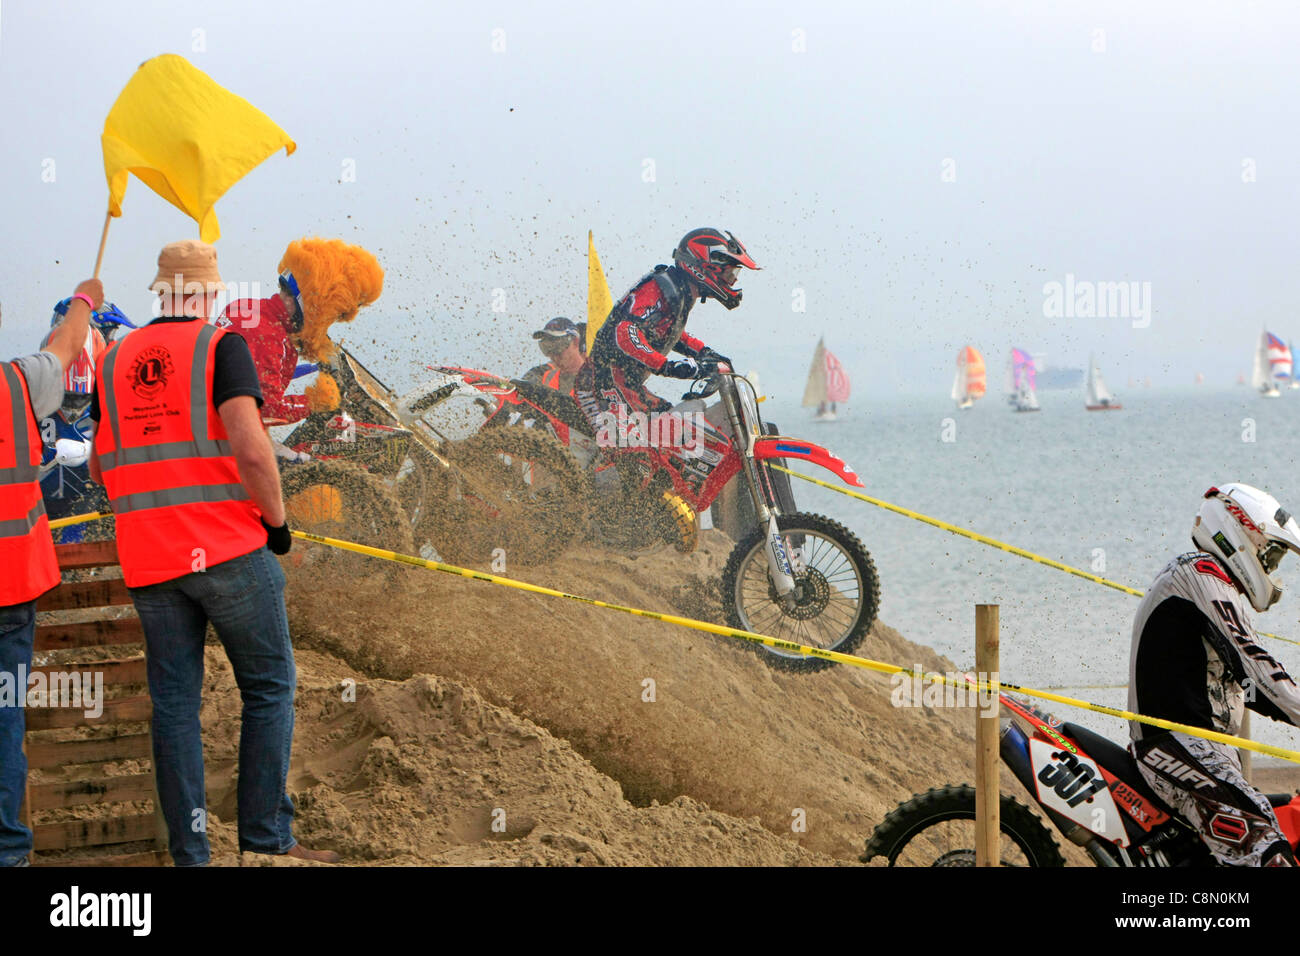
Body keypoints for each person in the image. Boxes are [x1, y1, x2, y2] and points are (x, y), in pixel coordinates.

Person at [88, 239, 337, 866]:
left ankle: (190, 855)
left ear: (160, 291)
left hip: (150, 562)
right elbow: (252, 450)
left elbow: (97, 463)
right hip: (226, 548)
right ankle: (266, 840)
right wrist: (276, 527)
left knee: (174, 707)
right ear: (208, 292)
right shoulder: (218, 346)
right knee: (270, 687)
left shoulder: (114, 359)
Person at [1128, 483, 1300, 866]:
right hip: (1175, 746)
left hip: (1203, 750)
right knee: (1265, 848)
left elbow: (1251, 684)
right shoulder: (1200, 575)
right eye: (1270, 556)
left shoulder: (1214, 584)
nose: (1271, 569)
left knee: (1286, 813)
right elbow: (1256, 665)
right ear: (1240, 533)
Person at [1, 278, 101, 867]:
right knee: (4, 719)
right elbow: (68, 345)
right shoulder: (20, 381)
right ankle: (9, 851)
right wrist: (85, 299)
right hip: (13, 583)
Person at [576, 228, 759, 427]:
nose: (733, 280)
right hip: (598, 385)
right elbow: (626, 332)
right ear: (706, 266)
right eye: (730, 272)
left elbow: (671, 333)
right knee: (634, 452)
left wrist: (705, 353)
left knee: (675, 433)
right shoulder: (660, 287)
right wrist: (667, 366)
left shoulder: (680, 291)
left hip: (625, 386)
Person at [37, 299, 117, 541]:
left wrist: (93, 451)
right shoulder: (31, 401)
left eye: (81, 397)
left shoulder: (111, 403)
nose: (73, 405)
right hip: (38, 517)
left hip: (91, 517)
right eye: (69, 396)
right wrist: (48, 457)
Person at [522, 317, 586, 396]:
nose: (553, 356)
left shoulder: (595, 379)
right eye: (547, 348)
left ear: (575, 342)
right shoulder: (543, 378)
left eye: (558, 347)